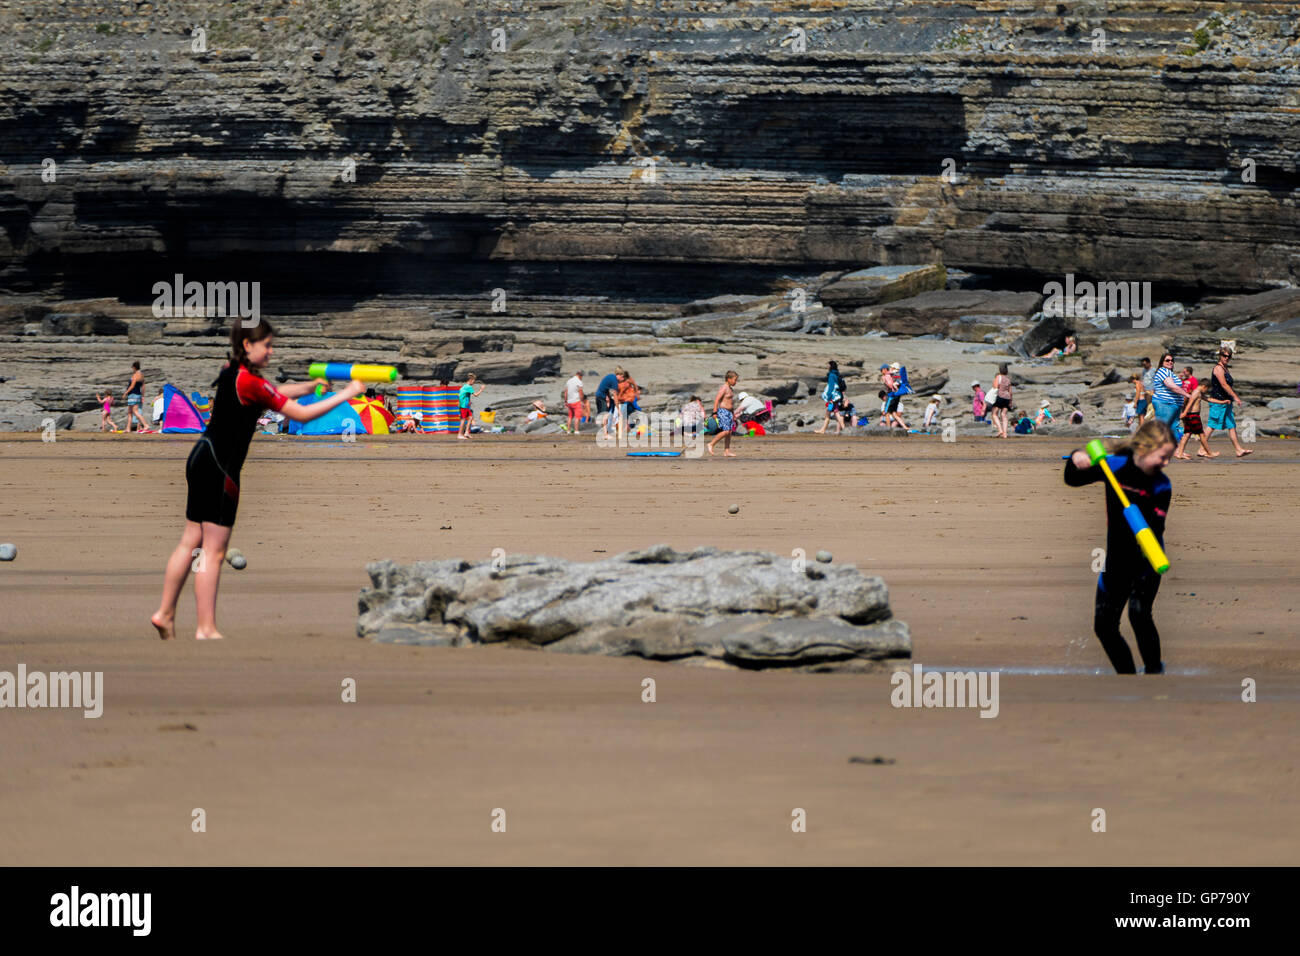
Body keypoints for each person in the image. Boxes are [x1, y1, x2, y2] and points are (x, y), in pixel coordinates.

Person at [151, 318, 363, 642]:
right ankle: (206, 629)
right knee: (214, 551)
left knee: (190, 541)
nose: (271, 351)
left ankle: (165, 613)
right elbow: (300, 415)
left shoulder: (232, 373)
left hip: (201, 458)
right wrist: (347, 393)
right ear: (247, 346)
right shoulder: (250, 381)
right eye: (267, 345)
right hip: (221, 468)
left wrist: (308, 387)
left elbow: (273, 393)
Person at [1064, 420, 1175, 674]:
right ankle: (1126, 675)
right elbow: (1072, 479)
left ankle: (1154, 670)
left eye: (1169, 458)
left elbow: (1156, 527)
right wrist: (1076, 458)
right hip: (1116, 561)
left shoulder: (1162, 485)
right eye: (1163, 457)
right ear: (1144, 449)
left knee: (1139, 614)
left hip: (1148, 561)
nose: (1166, 464)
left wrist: (1142, 522)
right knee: (1104, 627)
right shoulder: (1113, 466)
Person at [1203, 346, 1252, 458]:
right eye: (1224, 356)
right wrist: (1236, 397)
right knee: (1212, 425)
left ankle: (1238, 450)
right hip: (1218, 401)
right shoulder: (1218, 368)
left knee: (1231, 426)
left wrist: (1231, 398)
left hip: (1226, 402)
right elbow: (1224, 385)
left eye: (1229, 356)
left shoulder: (1225, 368)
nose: (1227, 358)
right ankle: (1202, 449)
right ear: (1220, 356)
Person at [1149, 352, 1188, 443]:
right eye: (1167, 360)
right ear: (1162, 362)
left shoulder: (1170, 373)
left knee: (1173, 429)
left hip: (1173, 405)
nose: (1170, 362)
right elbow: (1171, 386)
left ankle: (1175, 452)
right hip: (1165, 404)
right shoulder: (1163, 371)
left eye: (1172, 360)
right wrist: (1187, 395)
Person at [1174, 381, 1214, 460]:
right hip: (1193, 416)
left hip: (1191, 416)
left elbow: (1208, 399)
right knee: (1201, 435)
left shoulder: (1198, 392)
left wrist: (1222, 402)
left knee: (1187, 435)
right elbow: (1190, 403)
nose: (1206, 391)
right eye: (1207, 389)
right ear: (1204, 386)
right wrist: (1184, 413)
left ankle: (1180, 453)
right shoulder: (1196, 392)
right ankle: (1209, 453)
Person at [707, 370, 739, 457]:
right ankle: (711, 444)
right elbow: (717, 400)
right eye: (734, 380)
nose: (735, 382)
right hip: (723, 411)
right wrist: (714, 412)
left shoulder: (730, 389)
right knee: (725, 431)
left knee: (729, 432)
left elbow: (730, 402)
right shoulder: (724, 388)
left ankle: (727, 451)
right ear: (728, 379)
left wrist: (733, 414)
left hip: (729, 412)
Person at [815, 361, 848, 434]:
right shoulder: (837, 374)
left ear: (830, 366)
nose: (826, 366)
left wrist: (829, 398)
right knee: (836, 413)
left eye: (828, 365)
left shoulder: (831, 375)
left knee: (828, 413)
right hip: (837, 396)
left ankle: (823, 430)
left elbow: (831, 387)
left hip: (833, 398)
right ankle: (844, 429)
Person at [122, 361, 153, 433]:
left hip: (133, 394)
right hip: (138, 394)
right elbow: (143, 386)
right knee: (130, 412)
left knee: (135, 411)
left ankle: (145, 425)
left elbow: (132, 386)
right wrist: (143, 395)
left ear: (134, 367)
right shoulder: (141, 375)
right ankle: (128, 428)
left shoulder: (135, 375)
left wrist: (125, 393)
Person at [595, 367, 622, 438]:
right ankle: (605, 434)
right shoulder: (615, 381)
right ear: (619, 375)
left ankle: (605, 431)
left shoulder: (611, 376)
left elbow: (605, 387)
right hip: (600, 397)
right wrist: (618, 409)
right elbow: (615, 396)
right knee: (605, 415)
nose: (621, 379)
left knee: (605, 414)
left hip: (600, 396)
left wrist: (608, 398)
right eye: (621, 377)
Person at [614, 369, 640, 442]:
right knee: (626, 416)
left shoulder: (628, 380)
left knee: (624, 416)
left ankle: (623, 433)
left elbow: (635, 385)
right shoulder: (617, 382)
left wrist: (636, 393)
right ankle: (626, 432)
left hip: (628, 400)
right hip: (624, 401)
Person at [457, 373, 484, 439]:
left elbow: (459, 395)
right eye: (473, 381)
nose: (473, 383)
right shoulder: (469, 387)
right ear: (471, 380)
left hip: (464, 405)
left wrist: (467, 401)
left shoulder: (464, 386)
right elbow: (476, 395)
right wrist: (481, 389)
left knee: (470, 417)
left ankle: (466, 432)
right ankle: (459, 434)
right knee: (463, 420)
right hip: (464, 406)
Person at [879, 365, 906, 430]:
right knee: (893, 413)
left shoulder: (888, 376)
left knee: (887, 413)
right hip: (895, 394)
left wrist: (885, 382)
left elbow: (891, 386)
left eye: (881, 370)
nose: (880, 371)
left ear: (885, 369)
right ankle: (905, 427)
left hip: (892, 395)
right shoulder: (894, 375)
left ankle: (888, 429)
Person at [989, 363, 1012, 438]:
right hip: (1007, 398)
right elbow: (1010, 392)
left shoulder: (998, 377)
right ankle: (1005, 433)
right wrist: (1010, 402)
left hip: (1000, 397)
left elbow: (995, 388)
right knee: (1004, 415)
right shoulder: (1008, 380)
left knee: (994, 414)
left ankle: (1000, 430)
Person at [1138, 357, 1156, 422]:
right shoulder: (1144, 371)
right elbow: (1143, 379)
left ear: (1149, 363)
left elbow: (1157, 381)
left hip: (1152, 391)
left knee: (1151, 407)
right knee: (1147, 407)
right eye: (1143, 365)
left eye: (1145, 364)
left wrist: (1154, 389)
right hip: (1145, 391)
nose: (1144, 366)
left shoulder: (1154, 370)